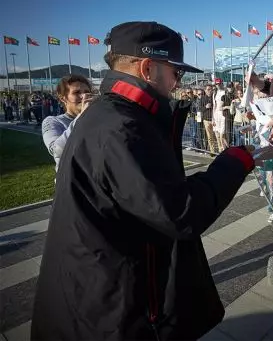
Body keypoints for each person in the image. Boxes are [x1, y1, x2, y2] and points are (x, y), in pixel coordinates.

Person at [31, 21, 255, 340]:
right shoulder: (123, 127)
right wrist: (237, 160)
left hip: (94, 295)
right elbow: (180, 212)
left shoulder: (113, 114)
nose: (178, 83)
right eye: (176, 73)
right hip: (108, 313)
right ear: (148, 68)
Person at [41, 75, 93, 171]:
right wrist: (82, 117)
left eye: (86, 92)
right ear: (63, 98)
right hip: (72, 182)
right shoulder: (53, 121)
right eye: (76, 92)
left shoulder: (95, 119)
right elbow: (56, 150)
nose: (84, 96)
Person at [201, 84, 218, 154]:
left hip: (214, 119)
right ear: (205, 90)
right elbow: (199, 109)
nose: (210, 91)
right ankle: (212, 150)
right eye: (208, 89)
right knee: (210, 136)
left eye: (211, 89)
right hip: (206, 120)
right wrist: (205, 107)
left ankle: (219, 149)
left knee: (217, 135)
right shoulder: (202, 98)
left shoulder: (214, 98)